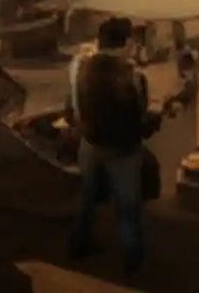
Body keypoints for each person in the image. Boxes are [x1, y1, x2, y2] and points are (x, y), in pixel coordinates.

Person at [67, 16, 150, 276]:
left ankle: (79, 245)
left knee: (86, 198)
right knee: (127, 207)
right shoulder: (133, 75)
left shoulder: (80, 67)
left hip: (90, 143)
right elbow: (140, 113)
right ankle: (132, 260)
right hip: (123, 149)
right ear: (125, 42)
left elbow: (75, 106)